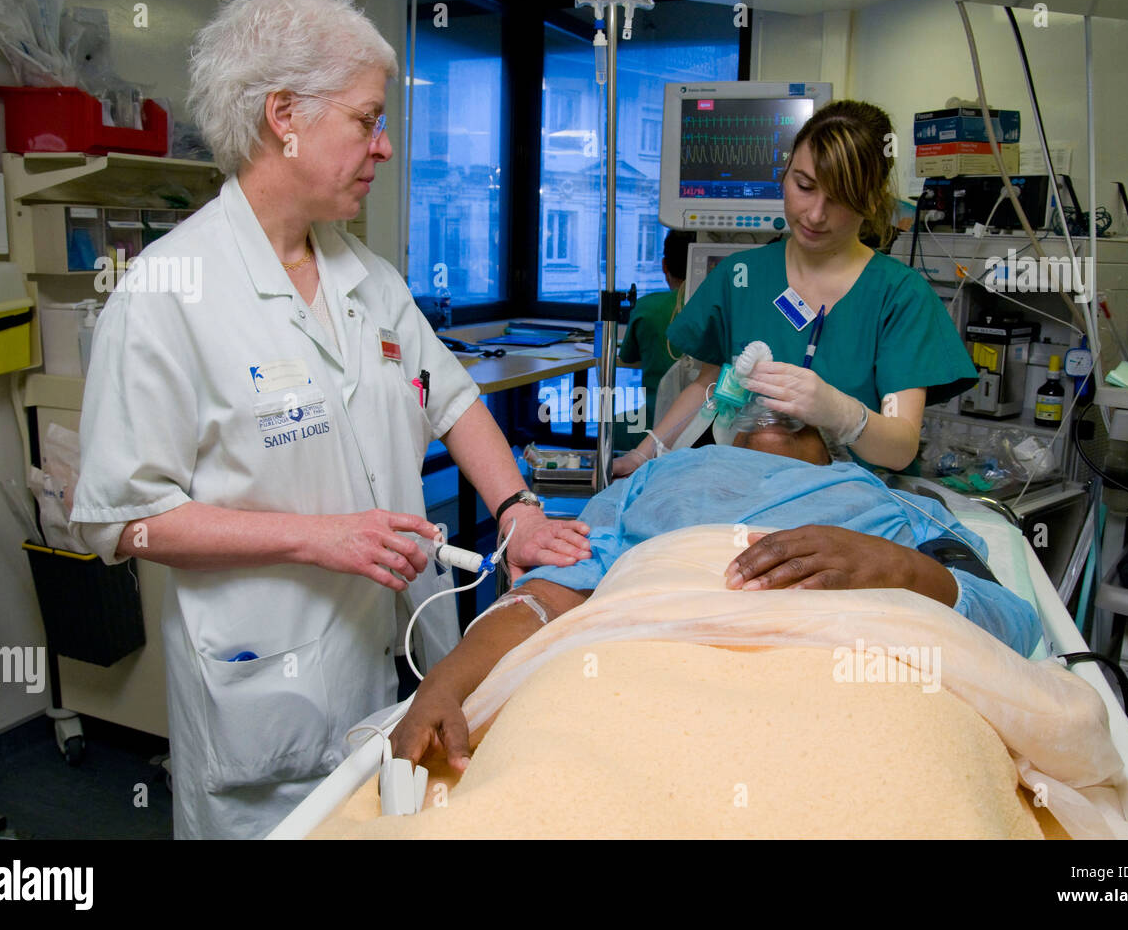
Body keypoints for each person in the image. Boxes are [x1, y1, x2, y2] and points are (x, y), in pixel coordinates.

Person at [68, 0, 589, 839]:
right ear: (284, 116)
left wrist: (517, 511)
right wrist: (319, 537)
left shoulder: (366, 277)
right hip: (268, 688)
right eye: (367, 120)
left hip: (398, 663)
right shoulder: (169, 292)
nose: (383, 146)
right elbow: (125, 522)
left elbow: (452, 399)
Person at [392, 421, 1041, 773]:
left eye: (794, 418)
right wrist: (446, 683)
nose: (770, 412)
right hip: (635, 670)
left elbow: (1012, 627)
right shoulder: (657, 476)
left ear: (831, 447)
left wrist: (898, 566)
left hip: (847, 676)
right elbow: (545, 598)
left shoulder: (886, 499)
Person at [614, 100, 976, 477]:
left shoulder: (900, 296)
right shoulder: (741, 277)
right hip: (742, 495)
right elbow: (708, 387)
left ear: (871, 199)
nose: (815, 214)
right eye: (804, 186)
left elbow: (900, 446)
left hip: (853, 509)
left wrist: (842, 413)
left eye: (839, 199)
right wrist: (644, 454)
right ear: (785, 174)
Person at [616, 228, 696, 435]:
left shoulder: (647, 307)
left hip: (653, 421)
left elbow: (627, 357)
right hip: (705, 422)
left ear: (663, 266)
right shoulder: (717, 305)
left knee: (615, 424)